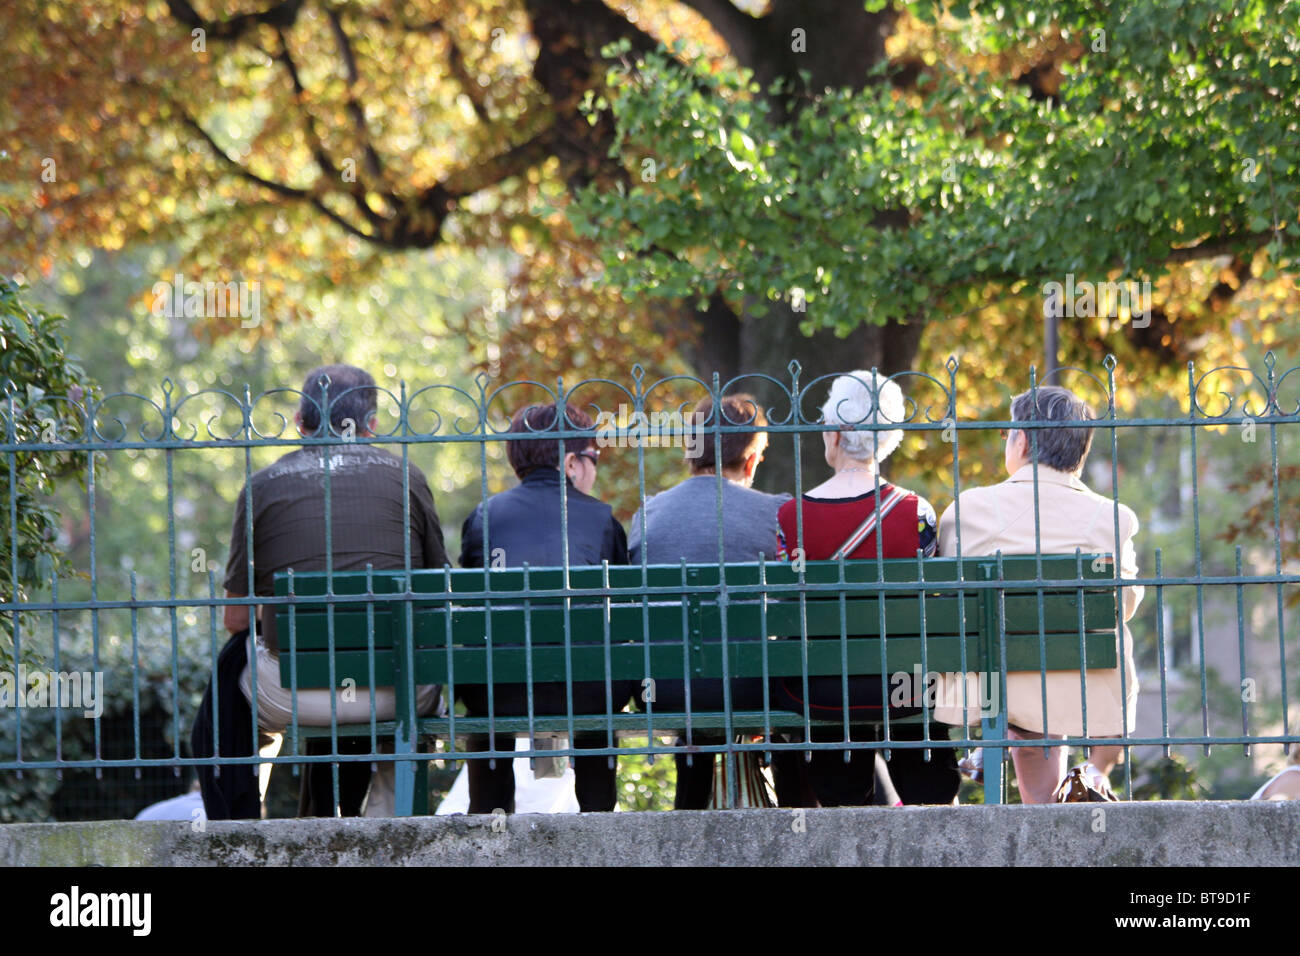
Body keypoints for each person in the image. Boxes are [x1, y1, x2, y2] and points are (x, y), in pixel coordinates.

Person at [192, 364, 446, 819]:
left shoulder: (262, 486)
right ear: (371, 425)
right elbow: (435, 592)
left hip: (296, 692)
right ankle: (382, 818)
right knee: (373, 654)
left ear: (299, 421)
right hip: (400, 687)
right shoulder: (407, 477)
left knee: (232, 675)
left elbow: (234, 619)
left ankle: (237, 827)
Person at [934, 384, 1143, 804]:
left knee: (1017, 674)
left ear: (1022, 440)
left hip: (987, 680)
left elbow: (944, 600)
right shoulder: (1115, 519)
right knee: (1069, 660)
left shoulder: (967, 510)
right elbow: (1124, 605)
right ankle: (1087, 773)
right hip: (1081, 680)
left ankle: (1003, 742)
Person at [772, 371, 961, 807]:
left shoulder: (789, 518)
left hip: (822, 689)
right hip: (904, 685)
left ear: (836, 434)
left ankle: (843, 800)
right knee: (908, 671)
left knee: (841, 680)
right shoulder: (917, 512)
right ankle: (929, 798)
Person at [458, 403, 633, 813]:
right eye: (593, 456)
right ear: (571, 463)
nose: (595, 468)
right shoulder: (602, 519)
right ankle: (597, 814)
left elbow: (470, 610)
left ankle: (489, 816)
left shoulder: (484, 517)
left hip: (497, 691)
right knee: (595, 672)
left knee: (488, 676)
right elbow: (625, 613)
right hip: (588, 691)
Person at [627, 393, 791, 808]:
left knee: (695, 680)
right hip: (756, 686)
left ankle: (690, 818)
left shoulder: (649, 513)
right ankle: (797, 814)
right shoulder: (779, 513)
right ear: (751, 458)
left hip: (664, 690)